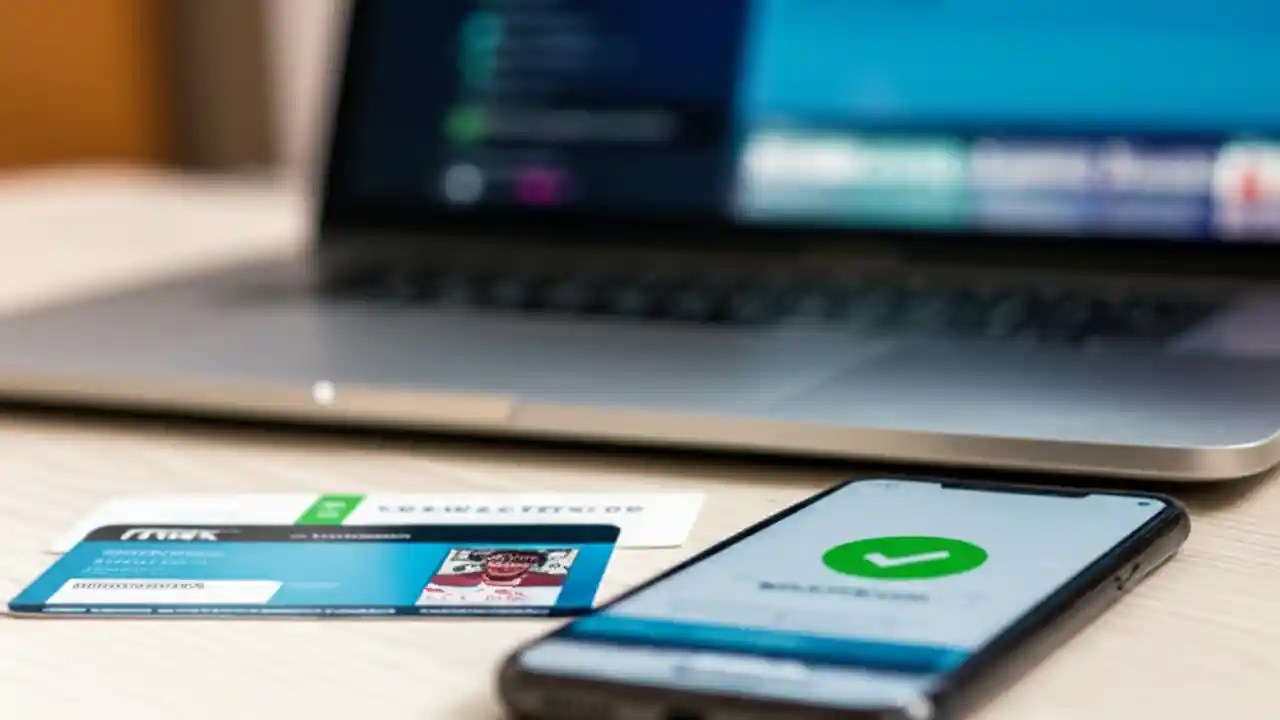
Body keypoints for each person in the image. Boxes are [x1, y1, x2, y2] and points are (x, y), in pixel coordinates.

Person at [416, 549, 568, 605]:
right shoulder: (444, 583)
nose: (505, 565)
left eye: (518, 560)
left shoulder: (554, 584)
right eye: (499, 559)